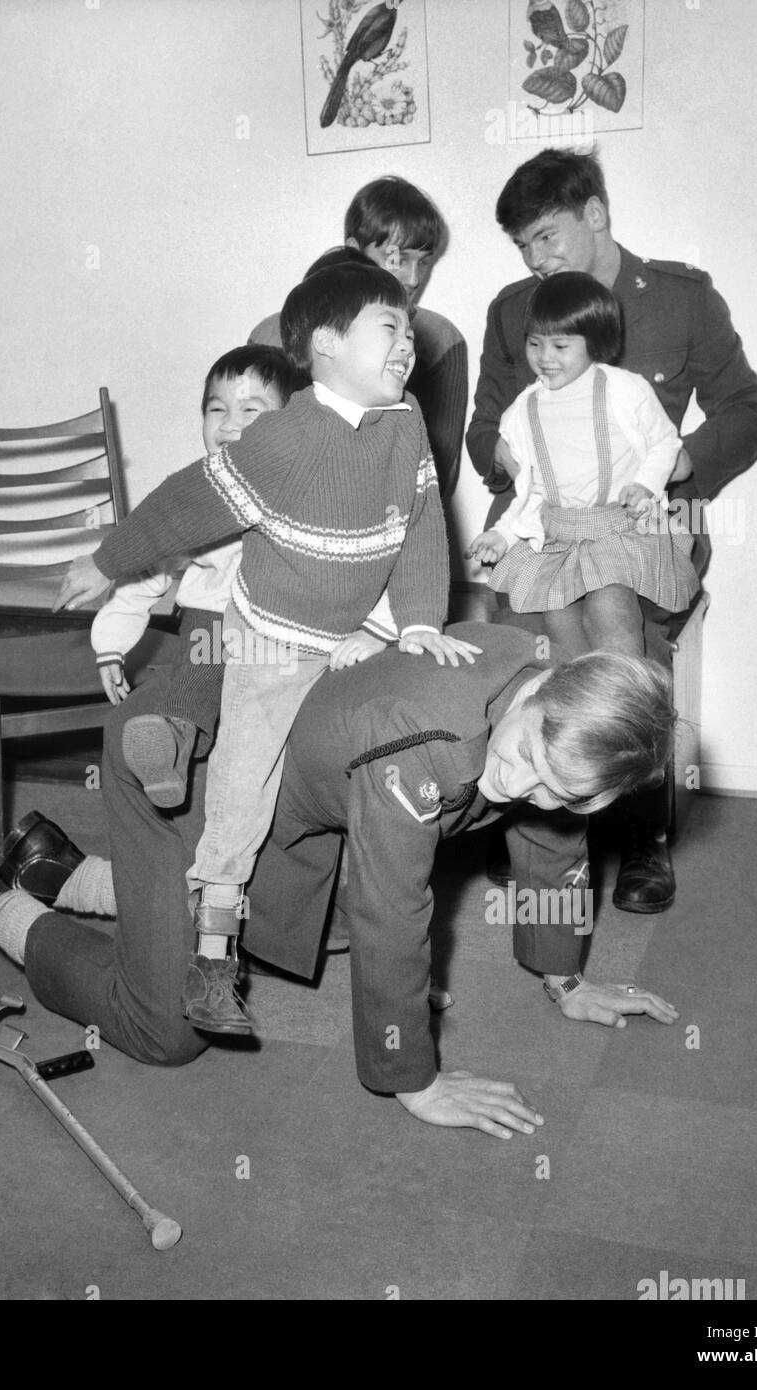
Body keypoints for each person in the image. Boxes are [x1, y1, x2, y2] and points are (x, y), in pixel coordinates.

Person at [0, 624, 680, 1133]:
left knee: (313, 927)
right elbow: (397, 912)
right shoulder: (419, 738)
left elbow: (553, 838)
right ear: (543, 689)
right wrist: (413, 1079)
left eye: (561, 788)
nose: (522, 788)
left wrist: (567, 981)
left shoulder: (545, 690)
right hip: (186, 764)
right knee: (169, 1028)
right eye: (526, 759)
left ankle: (54, 867)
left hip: (279, 780)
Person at [56, 261, 478, 1037]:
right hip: (274, 636)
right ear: (325, 344)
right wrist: (106, 561)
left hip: (363, 627)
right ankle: (212, 962)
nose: (406, 347)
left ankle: (389, 957)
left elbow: (421, 526)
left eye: (409, 333)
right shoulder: (286, 437)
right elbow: (187, 502)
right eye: (389, 329)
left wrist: (418, 621)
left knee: (380, 765)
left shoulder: (408, 422)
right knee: (245, 786)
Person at [466, 147, 757, 912]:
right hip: (553, 525)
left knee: (630, 633)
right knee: (518, 635)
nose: (534, 259)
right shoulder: (514, 311)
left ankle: (641, 832)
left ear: (595, 214)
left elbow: (748, 412)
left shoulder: (680, 299)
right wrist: (501, 454)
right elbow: (483, 427)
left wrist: (671, 473)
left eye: (546, 236)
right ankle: (543, 833)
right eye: (522, 246)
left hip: (648, 524)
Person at [93, 345, 304, 809]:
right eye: (217, 409)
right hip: (212, 621)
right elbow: (145, 568)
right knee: (197, 670)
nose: (230, 423)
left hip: (284, 628)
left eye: (251, 410)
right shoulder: (197, 497)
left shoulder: (305, 492)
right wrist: (111, 640)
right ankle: (175, 742)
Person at [466, 272, 697, 657]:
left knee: (611, 605)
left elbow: (666, 444)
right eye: (535, 343)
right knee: (557, 615)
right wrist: (502, 535)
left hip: (618, 528)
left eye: (560, 345)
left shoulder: (624, 390)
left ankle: (625, 700)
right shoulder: (524, 411)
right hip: (560, 536)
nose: (544, 357)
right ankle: (587, 703)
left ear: (593, 342)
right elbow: (532, 492)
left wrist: (645, 484)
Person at [250, 174, 468, 511]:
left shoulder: (440, 338)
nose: (413, 279)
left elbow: (439, 474)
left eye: (424, 261)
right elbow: (250, 450)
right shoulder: (270, 334)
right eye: (398, 258)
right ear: (354, 251)